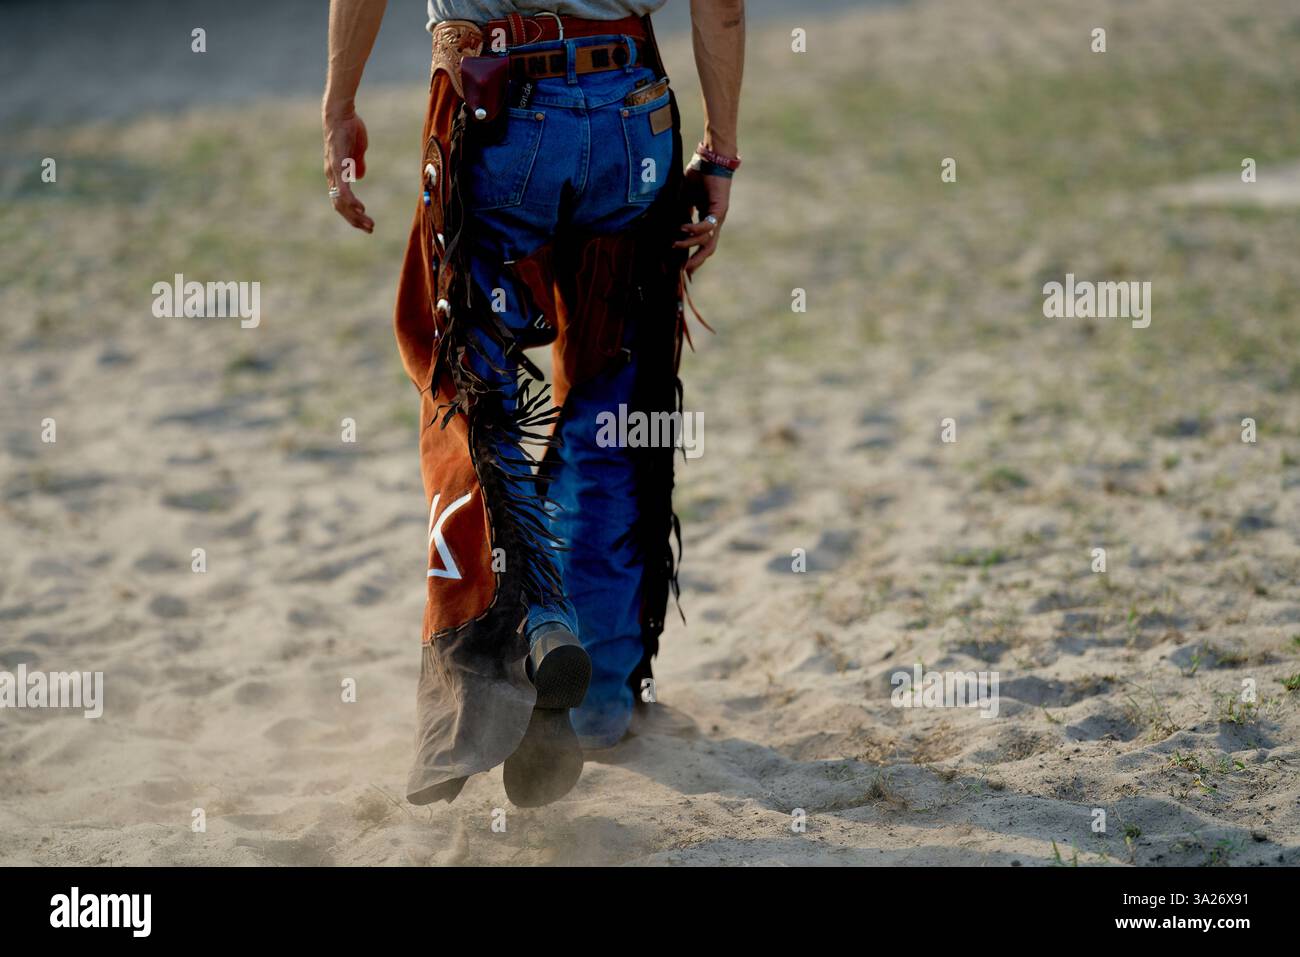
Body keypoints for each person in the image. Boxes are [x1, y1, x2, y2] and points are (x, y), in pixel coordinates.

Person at [322, 0, 744, 807]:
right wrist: (719, 154)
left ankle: (523, 638)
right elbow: (719, 7)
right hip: (631, 111)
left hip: (494, 104)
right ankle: (596, 703)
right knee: (614, 408)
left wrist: (339, 105)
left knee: (472, 390)